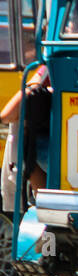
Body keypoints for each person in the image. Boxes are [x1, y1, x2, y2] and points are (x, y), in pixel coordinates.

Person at [1, 64, 51, 194]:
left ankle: (43, 198)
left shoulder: (54, 65)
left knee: (28, 142)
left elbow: (8, 115)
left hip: (56, 159)